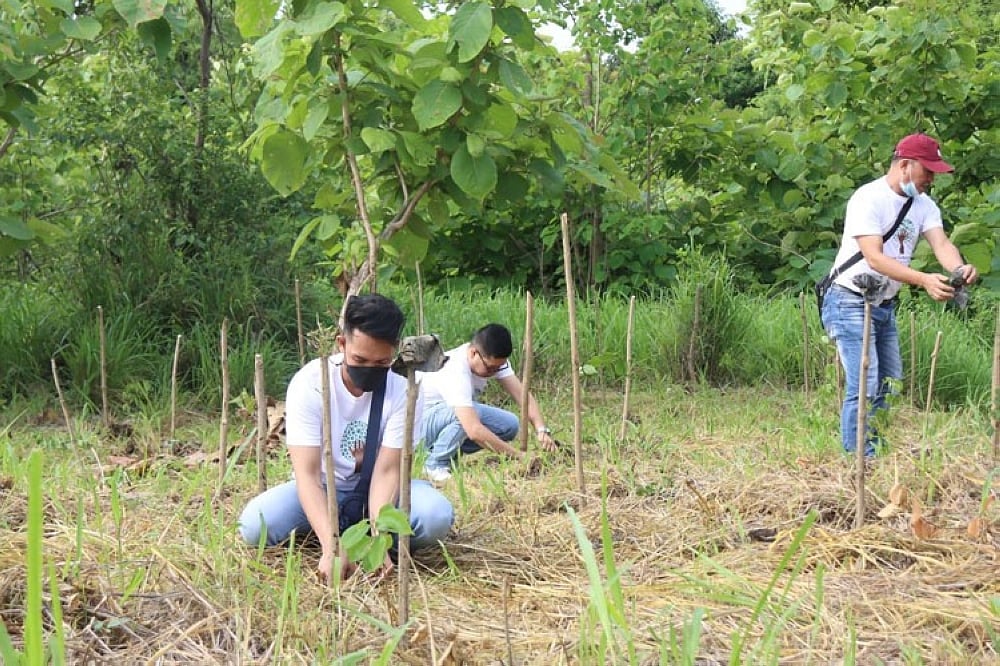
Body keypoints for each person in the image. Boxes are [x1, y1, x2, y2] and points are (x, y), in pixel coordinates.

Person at [238, 294, 454, 580]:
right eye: (359, 359)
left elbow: (388, 470)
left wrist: (378, 541)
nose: (369, 369)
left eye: (381, 362)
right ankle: (330, 530)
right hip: (325, 488)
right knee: (255, 525)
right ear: (341, 343)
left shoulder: (404, 387)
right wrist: (331, 547)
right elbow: (308, 475)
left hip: (378, 492)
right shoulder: (310, 384)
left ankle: (365, 531)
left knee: (435, 518)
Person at [820, 133, 978, 456]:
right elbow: (874, 256)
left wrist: (959, 269)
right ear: (905, 165)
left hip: (882, 304)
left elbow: (942, 244)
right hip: (848, 299)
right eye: (928, 171)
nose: (931, 179)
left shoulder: (924, 206)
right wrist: (923, 280)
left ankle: (872, 447)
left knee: (890, 381)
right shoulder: (868, 199)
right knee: (865, 382)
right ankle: (858, 460)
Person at [419, 323, 557, 482]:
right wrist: (518, 456)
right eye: (490, 368)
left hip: (442, 421)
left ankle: (447, 453)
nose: (495, 372)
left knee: (509, 425)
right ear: (473, 353)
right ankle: (434, 464)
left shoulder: (495, 362)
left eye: (499, 368)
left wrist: (541, 429)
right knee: (471, 415)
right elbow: (473, 430)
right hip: (419, 429)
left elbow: (522, 395)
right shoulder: (454, 369)